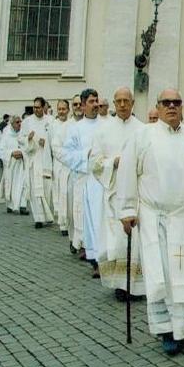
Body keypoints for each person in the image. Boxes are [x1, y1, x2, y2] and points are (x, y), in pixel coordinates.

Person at [113, 88, 184, 356]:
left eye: (176, 102)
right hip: (157, 220)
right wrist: (127, 210)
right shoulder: (142, 137)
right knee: (164, 274)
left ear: (182, 106)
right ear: (158, 106)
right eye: (166, 102)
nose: (172, 106)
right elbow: (127, 174)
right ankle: (167, 330)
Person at [91, 88, 143, 302]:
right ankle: (120, 285)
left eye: (126, 101)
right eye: (118, 101)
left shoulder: (142, 129)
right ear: (114, 103)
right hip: (113, 193)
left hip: (137, 193)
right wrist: (113, 162)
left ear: (132, 103)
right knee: (117, 240)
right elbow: (94, 162)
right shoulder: (103, 131)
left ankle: (137, 285)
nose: (122, 105)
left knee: (137, 240)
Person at [63, 89, 105, 271]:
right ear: (83, 105)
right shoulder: (76, 128)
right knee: (91, 221)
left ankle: (106, 258)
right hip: (87, 179)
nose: (95, 105)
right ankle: (95, 259)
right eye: (91, 102)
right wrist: (85, 155)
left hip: (106, 180)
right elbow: (67, 154)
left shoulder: (107, 124)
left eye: (96, 101)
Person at [23, 100, 54, 228]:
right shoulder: (27, 121)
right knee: (35, 189)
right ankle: (38, 218)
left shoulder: (51, 121)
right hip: (34, 159)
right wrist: (28, 139)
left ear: (43, 107)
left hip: (46, 159)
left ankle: (48, 215)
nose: (36, 110)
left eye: (38, 107)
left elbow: (56, 138)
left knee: (46, 188)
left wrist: (46, 143)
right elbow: (21, 139)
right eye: (34, 107)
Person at [48, 98, 73, 237]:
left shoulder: (72, 124)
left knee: (68, 193)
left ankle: (68, 222)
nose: (62, 111)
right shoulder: (52, 126)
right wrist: (48, 167)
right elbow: (49, 148)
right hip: (57, 164)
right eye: (59, 109)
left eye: (64, 109)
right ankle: (62, 223)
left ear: (68, 110)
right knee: (59, 193)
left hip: (70, 164)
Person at [0, 113, 29, 214]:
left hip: (22, 164)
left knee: (23, 184)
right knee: (11, 185)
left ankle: (22, 206)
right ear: (12, 124)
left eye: (20, 122)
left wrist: (22, 153)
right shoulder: (6, 134)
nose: (20, 124)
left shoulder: (24, 133)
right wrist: (11, 153)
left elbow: (28, 147)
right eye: (17, 122)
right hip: (10, 165)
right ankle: (10, 205)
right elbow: (1, 149)